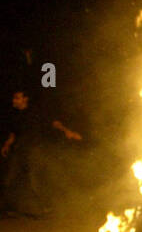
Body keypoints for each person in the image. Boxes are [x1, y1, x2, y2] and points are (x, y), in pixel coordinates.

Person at [2, 89, 82, 217]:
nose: (14, 100)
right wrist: (7, 144)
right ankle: (8, 209)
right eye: (14, 98)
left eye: (17, 98)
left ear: (25, 99)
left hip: (35, 149)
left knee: (36, 180)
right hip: (20, 150)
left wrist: (67, 131)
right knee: (9, 178)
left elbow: (54, 122)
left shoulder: (36, 112)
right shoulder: (15, 115)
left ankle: (47, 207)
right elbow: (13, 133)